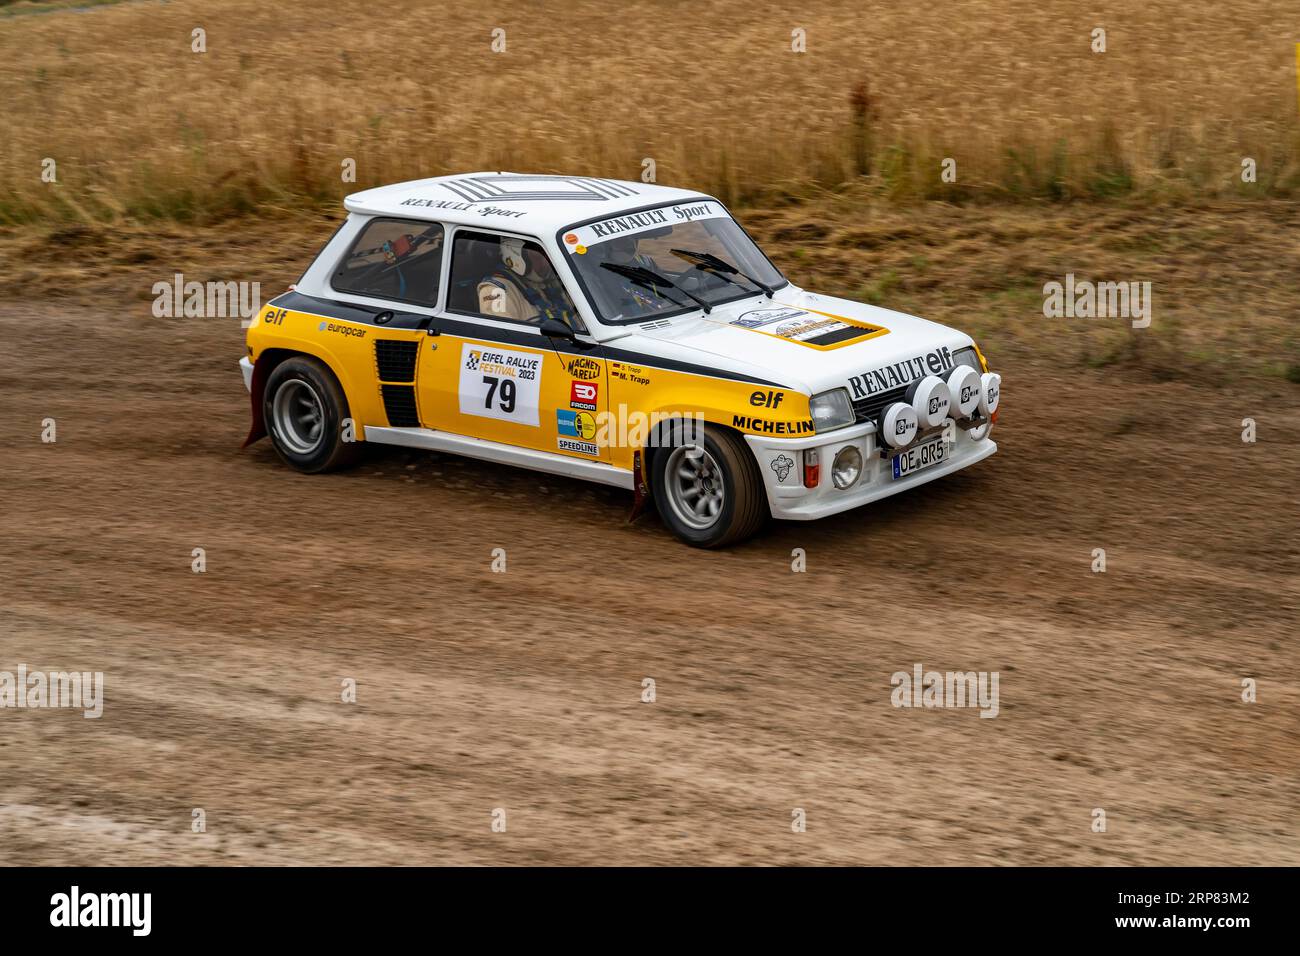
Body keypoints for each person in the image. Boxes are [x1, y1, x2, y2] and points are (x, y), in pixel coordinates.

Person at [477, 238, 578, 326]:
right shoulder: (495, 290)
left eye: (548, 257)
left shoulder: (554, 280)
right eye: (538, 257)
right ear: (515, 257)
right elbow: (501, 336)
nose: (546, 263)